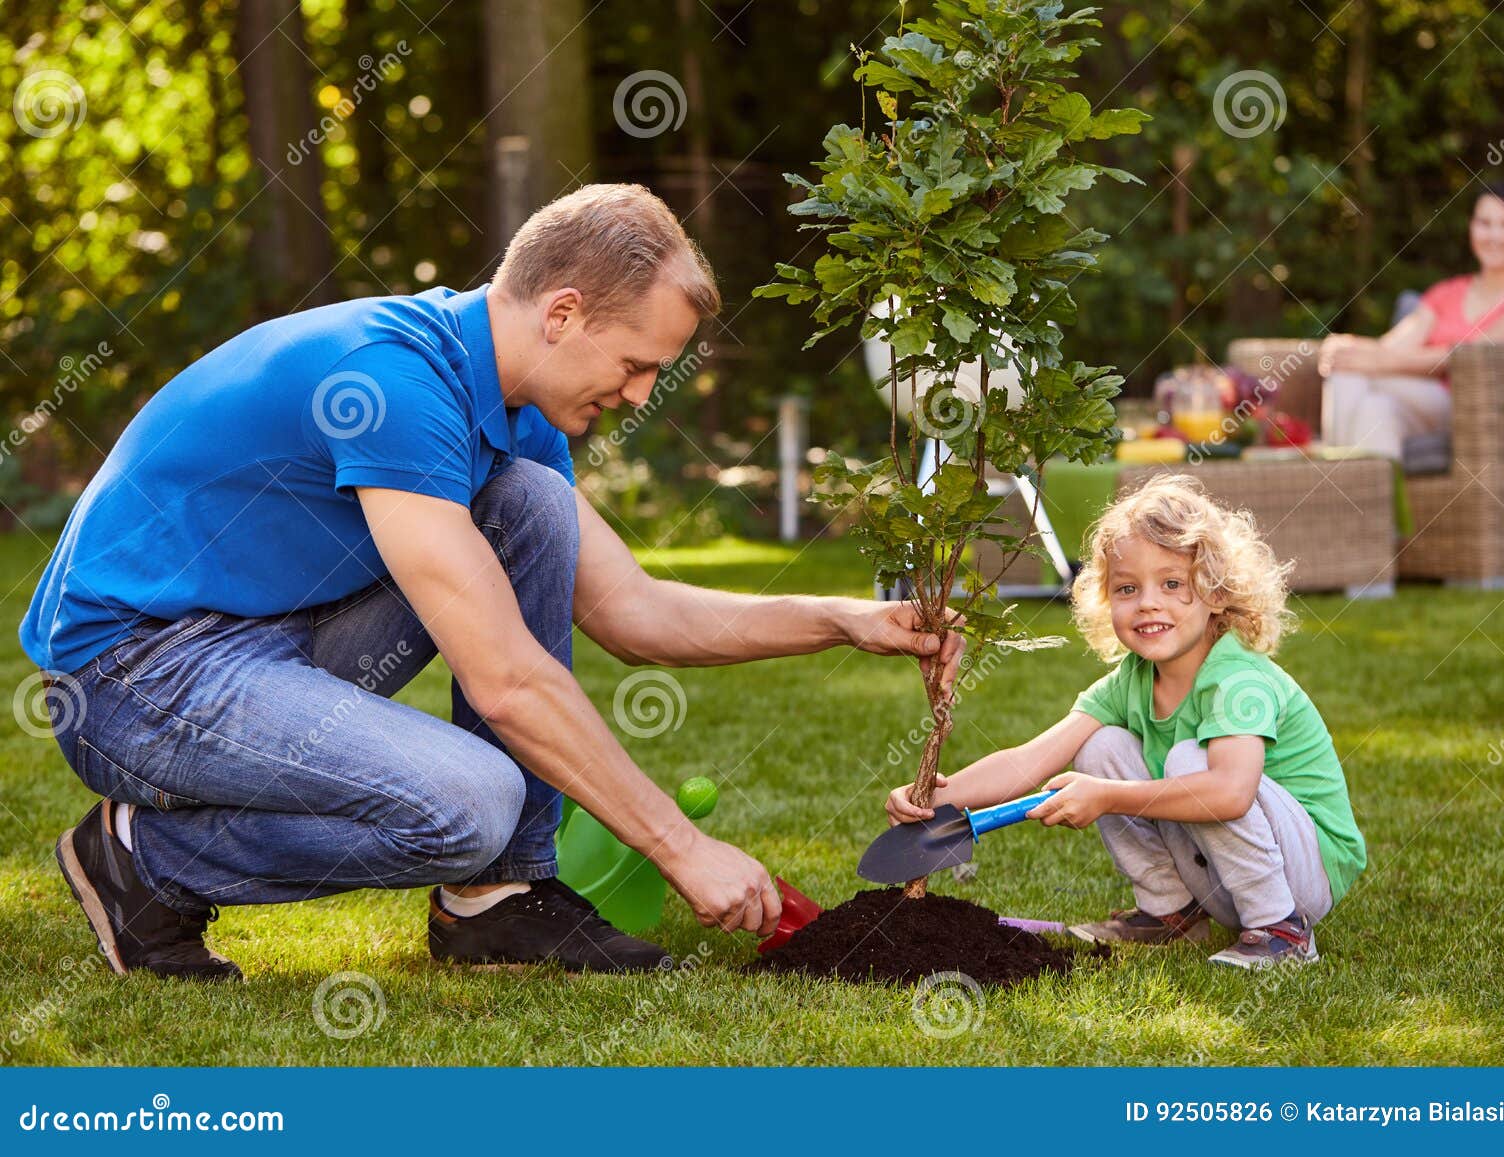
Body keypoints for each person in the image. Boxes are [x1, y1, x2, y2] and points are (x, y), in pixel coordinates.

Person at [23, 183, 964, 982]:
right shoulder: (393, 382)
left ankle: (495, 901)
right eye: (637, 366)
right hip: (133, 677)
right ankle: (147, 860)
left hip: (263, 638)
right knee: (469, 801)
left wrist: (843, 618)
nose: (642, 396)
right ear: (562, 313)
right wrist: (681, 846)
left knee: (532, 506)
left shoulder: (515, 410)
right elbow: (507, 680)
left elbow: (632, 610)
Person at [885, 475, 1366, 970]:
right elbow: (1032, 758)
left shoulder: (1238, 678)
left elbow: (1230, 793)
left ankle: (1282, 933)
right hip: (1227, 875)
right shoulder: (1131, 680)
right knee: (1100, 747)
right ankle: (1171, 915)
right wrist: (934, 798)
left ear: (1217, 593)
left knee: (1186, 760)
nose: (1147, 603)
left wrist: (1106, 797)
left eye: (1172, 583)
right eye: (1127, 588)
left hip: (1302, 877)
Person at [1318, 180, 1504, 460]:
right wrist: (1350, 345)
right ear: (1471, 227)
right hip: (1419, 403)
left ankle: (1328, 486)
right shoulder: (1446, 293)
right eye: (1484, 223)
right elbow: (1393, 347)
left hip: (1472, 410)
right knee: (1375, 410)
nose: (1493, 235)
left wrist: (1369, 360)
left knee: (1350, 371)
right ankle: (1372, 502)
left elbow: (1465, 358)